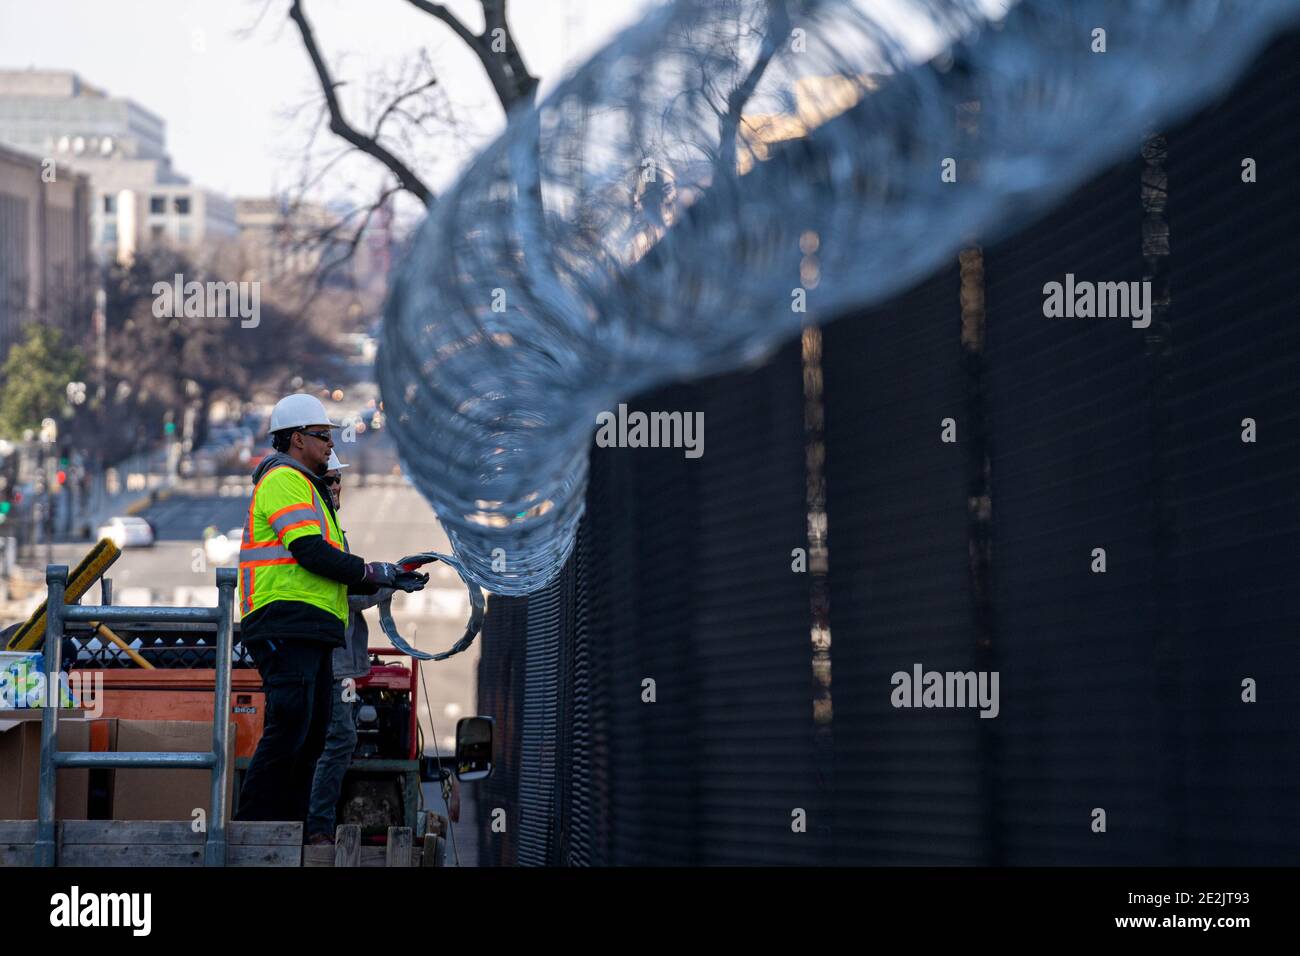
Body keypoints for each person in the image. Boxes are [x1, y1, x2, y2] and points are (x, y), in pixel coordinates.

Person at [233, 394, 428, 830]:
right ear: (297, 438)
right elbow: (309, 552)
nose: (329, 445)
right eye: (323, 436)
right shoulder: (284, 478)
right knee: (290, 727)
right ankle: (255, 832)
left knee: (312, 734)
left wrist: (386, 575)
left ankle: (289, 830)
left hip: (311, 629)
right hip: (284, 621)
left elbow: (334, 572)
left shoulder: (310, 490)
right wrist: (372, 570)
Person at [304, 451, 389, 844]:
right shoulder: (317, 527)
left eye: (339, 480)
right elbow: (342, 594)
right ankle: (315, 827)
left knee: (330, 739)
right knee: (339, 738)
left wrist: (386, 576)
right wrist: (385, 582)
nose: (336, 487)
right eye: (329, 480)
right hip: (331, 657)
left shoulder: (331, 525)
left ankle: (313, 823)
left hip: (337, 657)